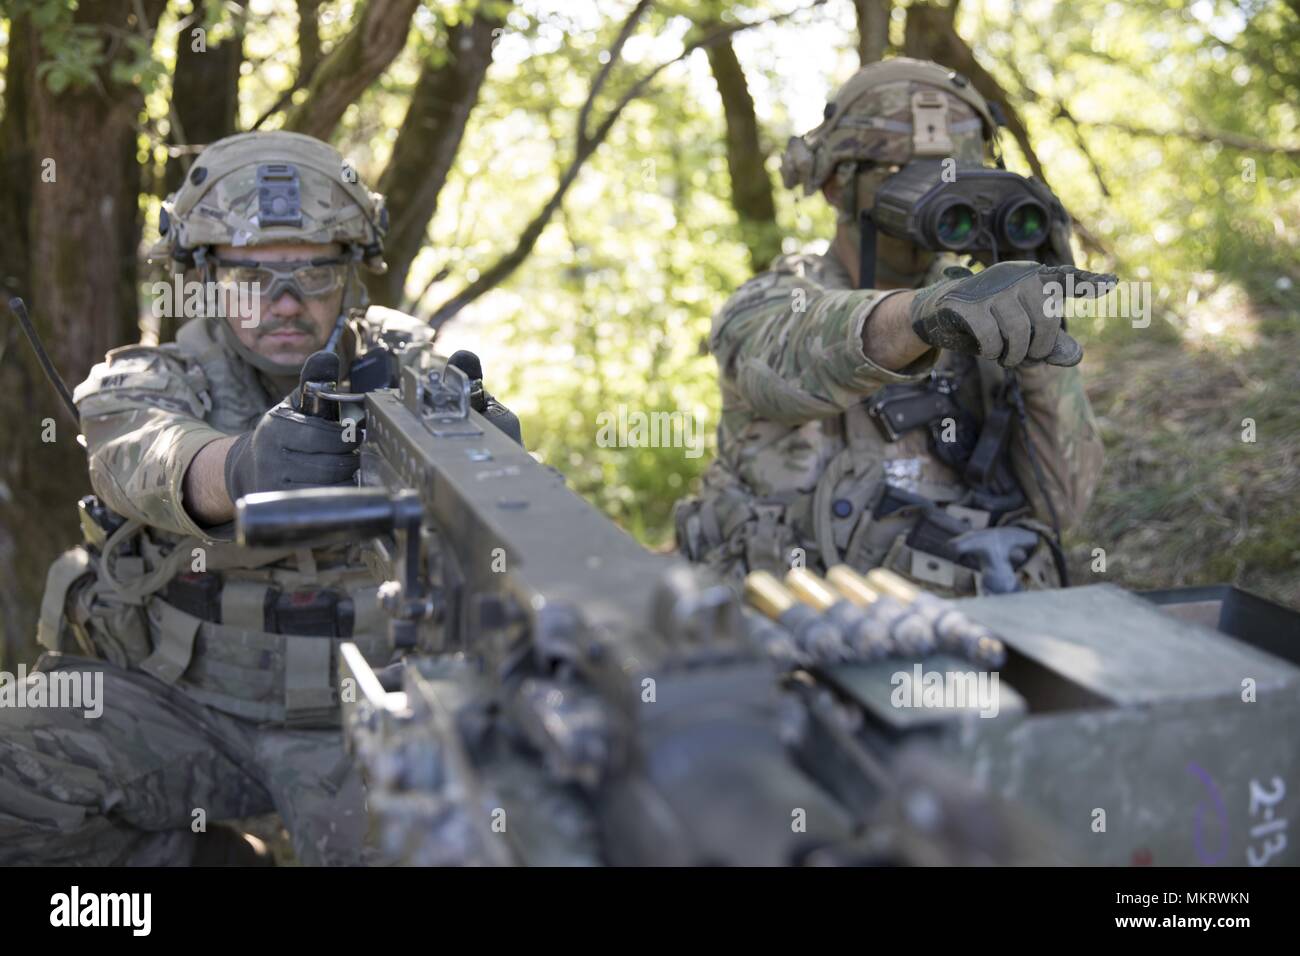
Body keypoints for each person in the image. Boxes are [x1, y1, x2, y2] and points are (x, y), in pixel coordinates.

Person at [0, 130, 509, 865]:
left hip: (373, 703)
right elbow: (136, 454)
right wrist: (240, 469)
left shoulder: (408, 369)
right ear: (204, 276)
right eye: (250, 275)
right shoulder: (149, 377)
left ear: (353, 275)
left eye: (311, 272)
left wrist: (482, 458)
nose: (284, 303)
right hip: (188, 704)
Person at [675, 58, 1107, 597]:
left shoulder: (988, 309)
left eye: (957, 176)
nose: (939, 195)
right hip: (801, 633)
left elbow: (1063, 503)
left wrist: (1038, 335)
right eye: (905, 176)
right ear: (836, 184)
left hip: (974, 632)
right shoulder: (771, 300)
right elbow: (793, 357)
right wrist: (926, 314)